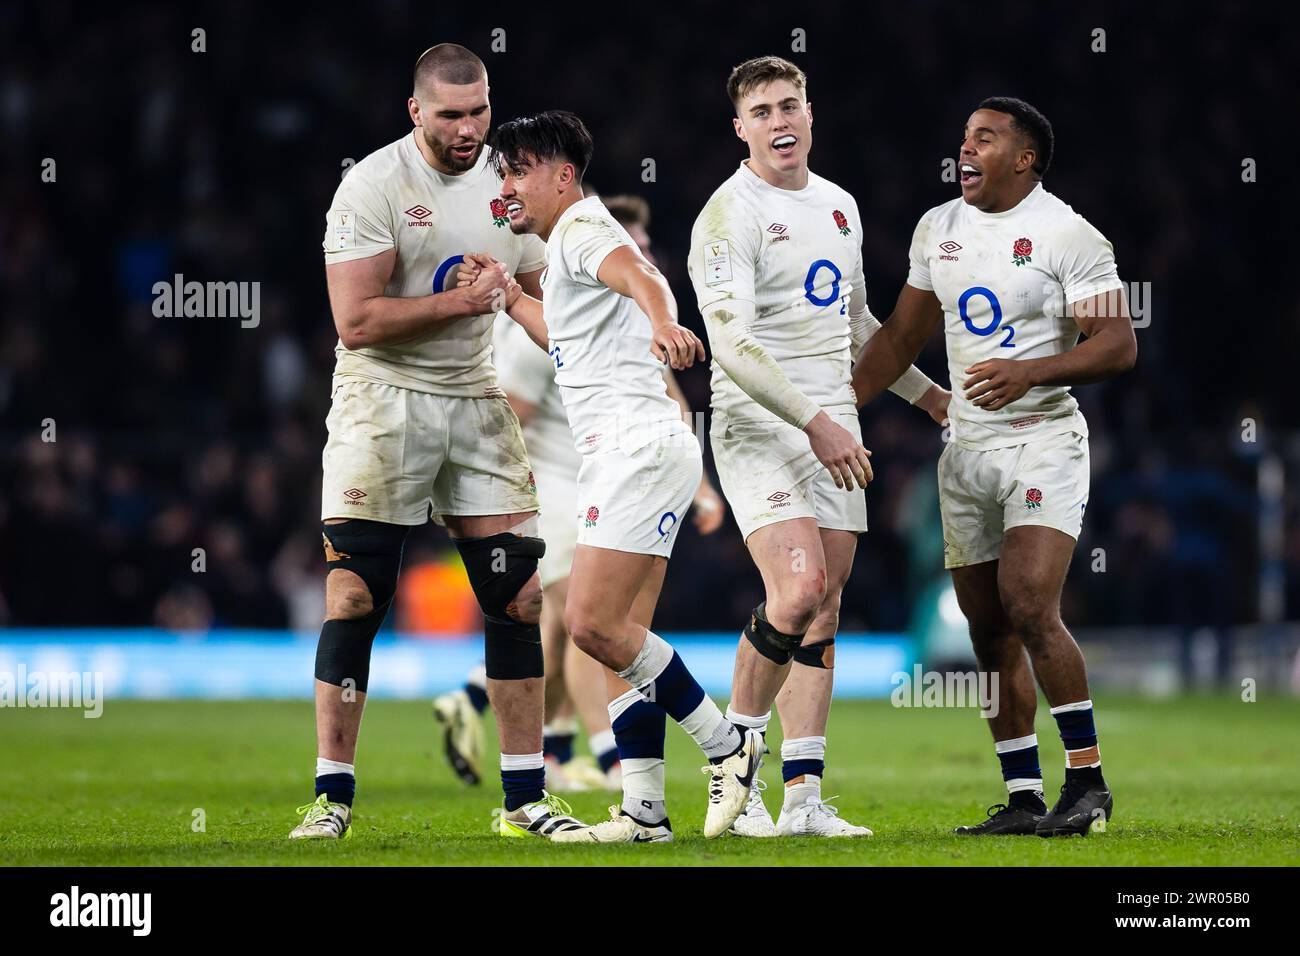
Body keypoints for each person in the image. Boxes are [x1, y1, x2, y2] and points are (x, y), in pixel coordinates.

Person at [291, 44, 586, 842]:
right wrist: (461, 306)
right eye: (451, 114)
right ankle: (331, 799)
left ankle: (525, 801)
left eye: (479, 110)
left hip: (474, 398)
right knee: (355, 594)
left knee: (519, 596)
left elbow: (538, 285)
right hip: (382, 402)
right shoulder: (374, 187)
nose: (469, 128)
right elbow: (356, 322)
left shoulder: (508, 182)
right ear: (415, 111)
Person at [850, 97, 1135, 836]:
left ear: (1025, 158)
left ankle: (1089, 783)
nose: (965, 149)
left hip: (1043, 438)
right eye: (963, 138)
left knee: (1030, 602)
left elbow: (1116, 341)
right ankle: (1022, 796)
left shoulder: (1067, 234)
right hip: (966, 451)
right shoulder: (937, 228)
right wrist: (832, 413)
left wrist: (1032, 372)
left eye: (985, 138)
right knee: (988, 631)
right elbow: (901, 338)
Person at [478, 110, 764, 842]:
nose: (507, 185)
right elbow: (569, 340)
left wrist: (666, 322)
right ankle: (644, 810)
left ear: (562, 174)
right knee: (621, 637)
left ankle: (729, 746)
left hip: (633, 449)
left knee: (591, 626)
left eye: (518, 169)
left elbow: (644, 274)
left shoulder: (580, 227)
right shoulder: (565, 243)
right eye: (501, 171)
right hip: (637, 450)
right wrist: (513, 301)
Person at [689, 56, 948, 837]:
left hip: (834, 429)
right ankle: (732, 770)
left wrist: (927, 393)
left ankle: (803, 797)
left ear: (811, 113)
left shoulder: (839, 207)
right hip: (760, 427)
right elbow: (728, 342)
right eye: (762, 111)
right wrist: (816, 420)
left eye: (789, 105)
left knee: (826, 610)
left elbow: (860, 327)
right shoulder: (725, 215)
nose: (779, 122)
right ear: (740, 128)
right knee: (796, 591)